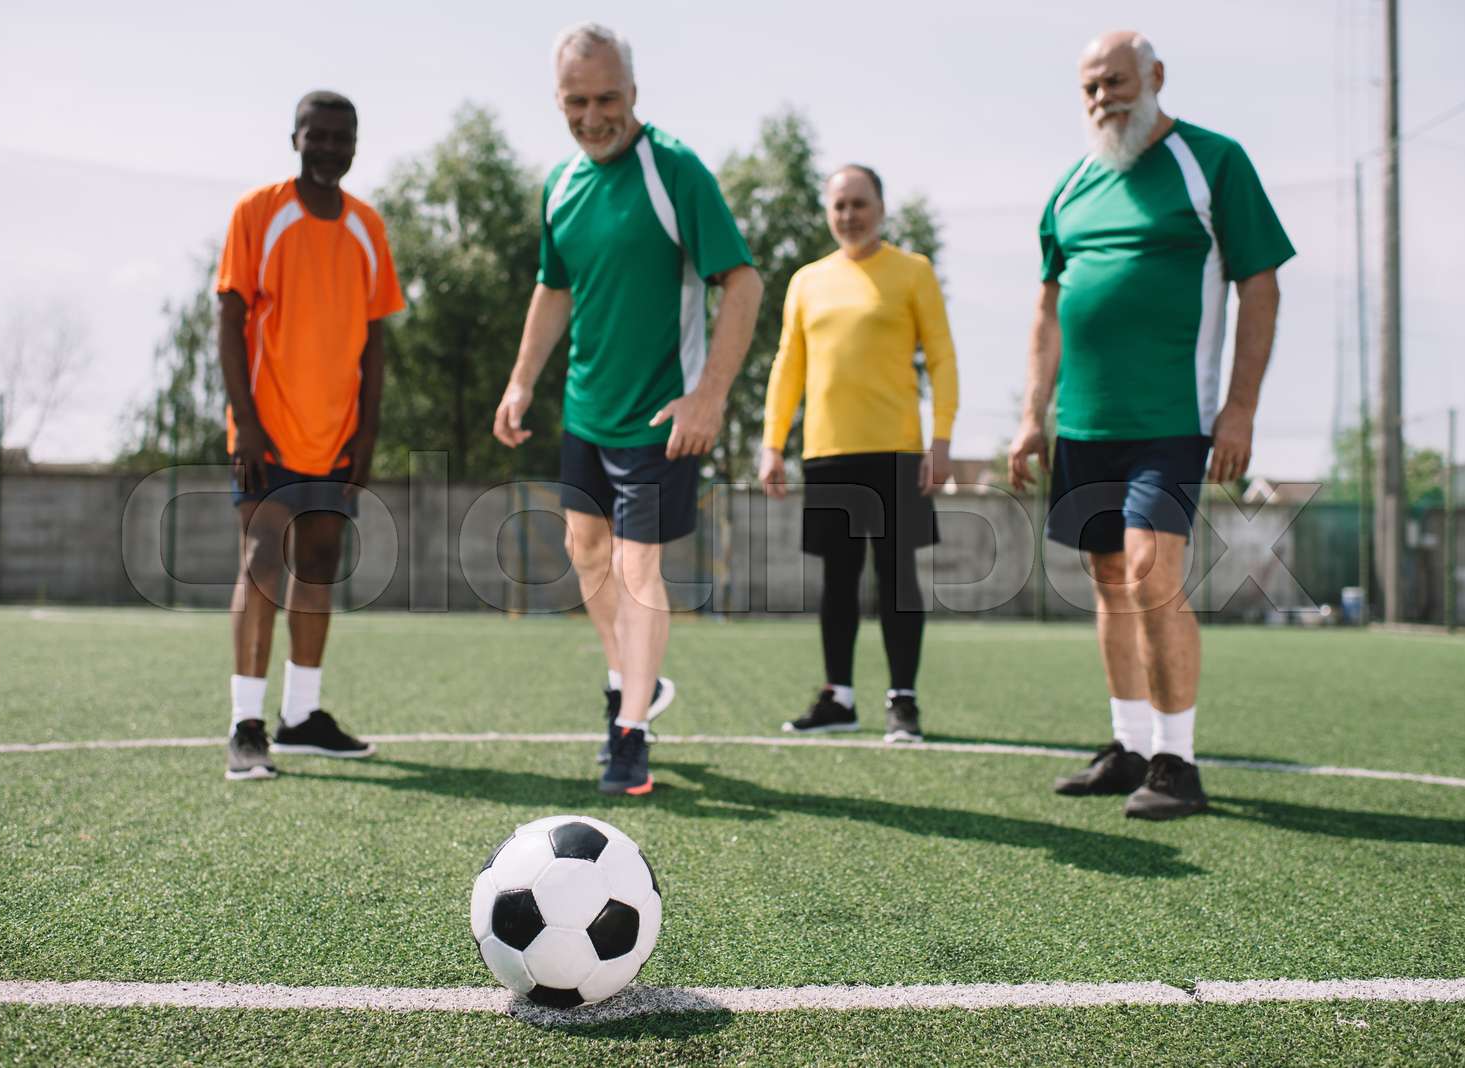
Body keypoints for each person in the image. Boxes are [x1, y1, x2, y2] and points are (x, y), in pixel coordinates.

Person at [1008, 32, 1294, 819]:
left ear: (1156, 78)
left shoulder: (1214, 163)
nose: (1105, 99)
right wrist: (1034, 415)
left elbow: (1259, 287)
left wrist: (1240, 409)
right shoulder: (1071, 186)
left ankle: (1178, 762)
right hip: (1086, 425)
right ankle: (1129, 743)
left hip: (1174, 418)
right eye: (1092, 88)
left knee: (1149, 572)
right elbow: (1046, 308)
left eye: (1118, 82)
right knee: (1106, 580)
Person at [493, 23, 761, 796]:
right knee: (587, 557)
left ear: (634, 93)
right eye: (577, 101)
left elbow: (741, 283)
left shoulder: (674, 171)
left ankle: (630, 734)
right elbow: (554, 288)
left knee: (640, 568)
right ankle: (629, 682)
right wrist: (520, 382)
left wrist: (708, 395)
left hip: (659, 418)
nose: (593, 115)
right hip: (586, 412)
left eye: (608, 97)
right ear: (558, 101)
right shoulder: (561, 186)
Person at [217, 90, 405, 781]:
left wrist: (367, 435)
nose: (329, 147)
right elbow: (230, 324)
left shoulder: (367, 226)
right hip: (265, 432)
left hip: (335, 435)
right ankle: (246, 726)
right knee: (262, 563)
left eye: (342, 137)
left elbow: (376, 339)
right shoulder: (257, 213)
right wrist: (246, 422)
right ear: (293, 138)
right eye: (317, 135)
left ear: (355, 144)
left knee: (321, 567)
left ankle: (302, 717)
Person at [759, 165, 959, 744]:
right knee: (838, 581)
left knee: (897, 578)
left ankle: (903, 700)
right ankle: (839, 698)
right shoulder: (807, 281)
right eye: (839, 205)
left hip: (897, 451)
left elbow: (942, 357)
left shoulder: (912, 272)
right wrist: (773, 444)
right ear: (829, 211)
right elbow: (787, 365)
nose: (849, 214)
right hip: (826, 453)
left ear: (881, 207)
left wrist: (941, 438)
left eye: (860, 203)